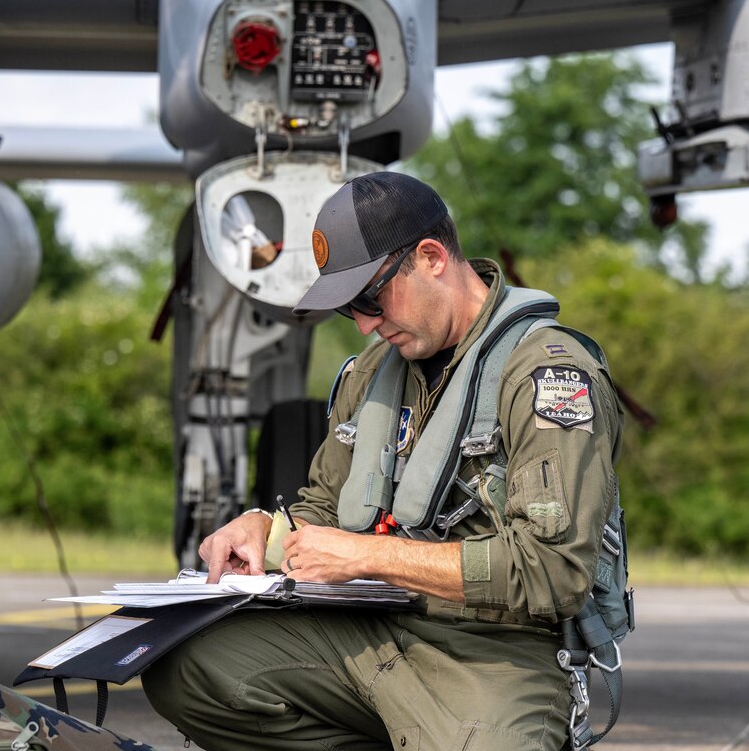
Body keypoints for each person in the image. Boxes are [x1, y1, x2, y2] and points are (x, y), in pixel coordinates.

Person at [142, 171, 624, 750]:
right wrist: (266, 532)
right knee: (185, 667)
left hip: (493, 651)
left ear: (431, 257)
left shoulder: (546, 378)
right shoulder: (371, 375)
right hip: (368, 632)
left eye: (371, 297)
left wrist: (369, 554)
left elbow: (553, 572)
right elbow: (324, 505)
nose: (367, 323)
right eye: (351, 309)